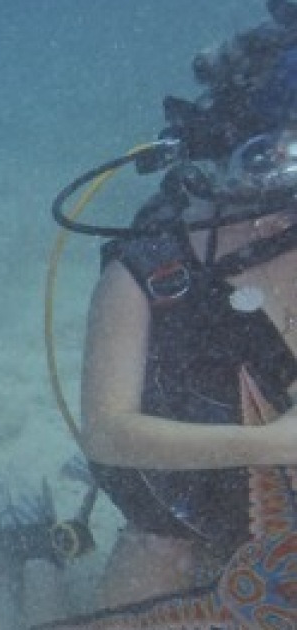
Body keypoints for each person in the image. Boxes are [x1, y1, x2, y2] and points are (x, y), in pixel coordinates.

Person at [78, 3, 297, 610]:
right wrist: (271, 446)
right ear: (227, 142)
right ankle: (38, 555)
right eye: (277, 155)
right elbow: (107, 432)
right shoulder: (149, 264)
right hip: (179, 511)